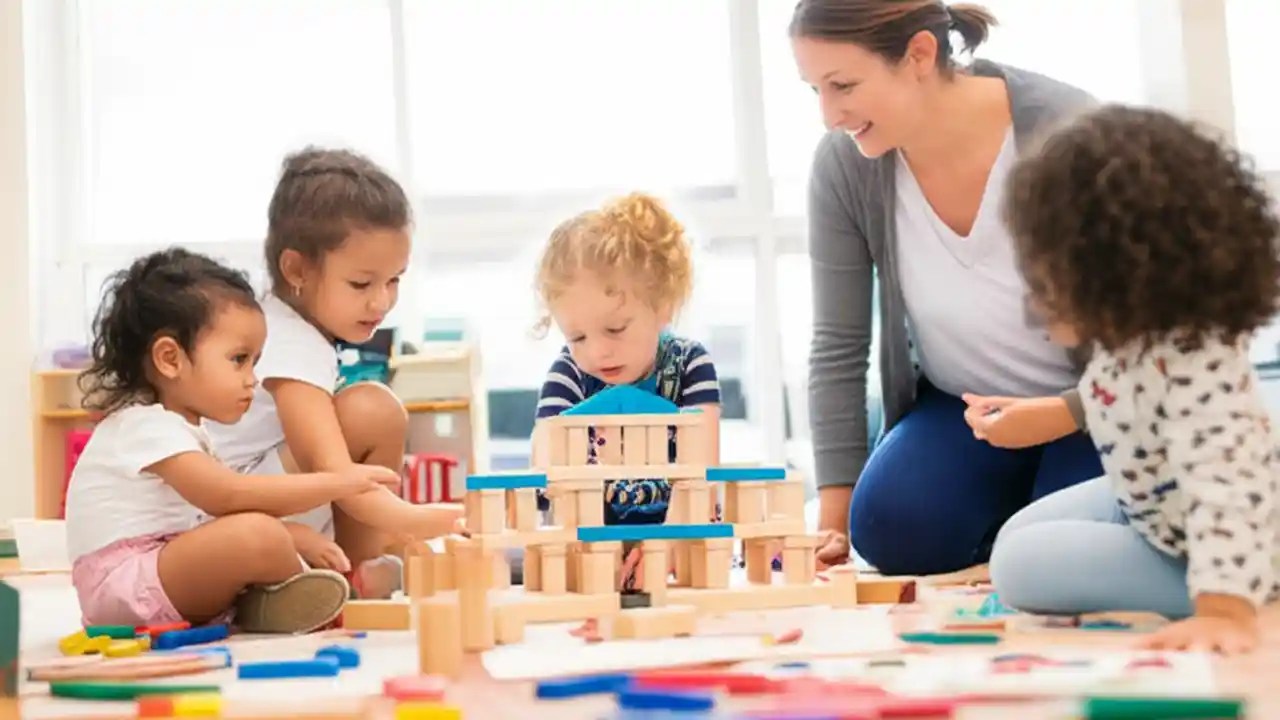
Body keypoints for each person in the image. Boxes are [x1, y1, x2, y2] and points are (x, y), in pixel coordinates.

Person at [790, 0, 1105, 575]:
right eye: (815, 91)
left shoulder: (1070, 129)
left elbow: (1163, 333)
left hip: (1093, 406)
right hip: (963, 408)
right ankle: (1009, 513)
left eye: (843, 85)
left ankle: (1026, 512)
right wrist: (832, 523)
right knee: (887, 528)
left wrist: (1066, 413)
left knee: (1066, 543)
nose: (830, 115)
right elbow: (838, 343)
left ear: (919, 54)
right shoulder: (845, 165)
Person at [989, 105, 1280, 655]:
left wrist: (1224, 610)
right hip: (1150, 503)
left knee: (1017, 566)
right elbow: (1119, 401)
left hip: (1227, 536)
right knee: (1015, 537)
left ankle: (1251, 587)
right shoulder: (1132, 337)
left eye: (1044, 268)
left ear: (1108, 269)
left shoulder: (1196, 361)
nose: (1031, 286)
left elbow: (1227, 485)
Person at [66, 248, 400, 632]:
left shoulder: (184, 430)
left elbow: (209, 517)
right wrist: (339, 480)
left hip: (160, 570)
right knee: (258, 535)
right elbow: (228, 496)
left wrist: (295, 535)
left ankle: (281, 599)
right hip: (125, 585)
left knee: (265, 534)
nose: (252, 380)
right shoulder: (143, 426)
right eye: (239, 359)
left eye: (255, 362)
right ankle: (322, 602)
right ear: (170, 359)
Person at [206, 148, 463, 599]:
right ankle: (357, 571)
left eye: (395, 280)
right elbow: (335, 471)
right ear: (297, 270)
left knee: (370, 408)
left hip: (245, 503)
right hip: (231, 515)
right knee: (373, 410)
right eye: (361, 284)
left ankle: (360, 564)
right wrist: (424, 519)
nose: (381, 302)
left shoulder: (284, 323)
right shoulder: (292, 342)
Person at [533, 192, 722, 586]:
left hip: (680, 545)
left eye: (616, 328)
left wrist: (664, 545)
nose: (598, 351)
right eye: (578, 336)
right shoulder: (568, 373)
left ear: (662, 306)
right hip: (592, 551)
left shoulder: (689, 365)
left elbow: (700, 469)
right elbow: (546, 467)